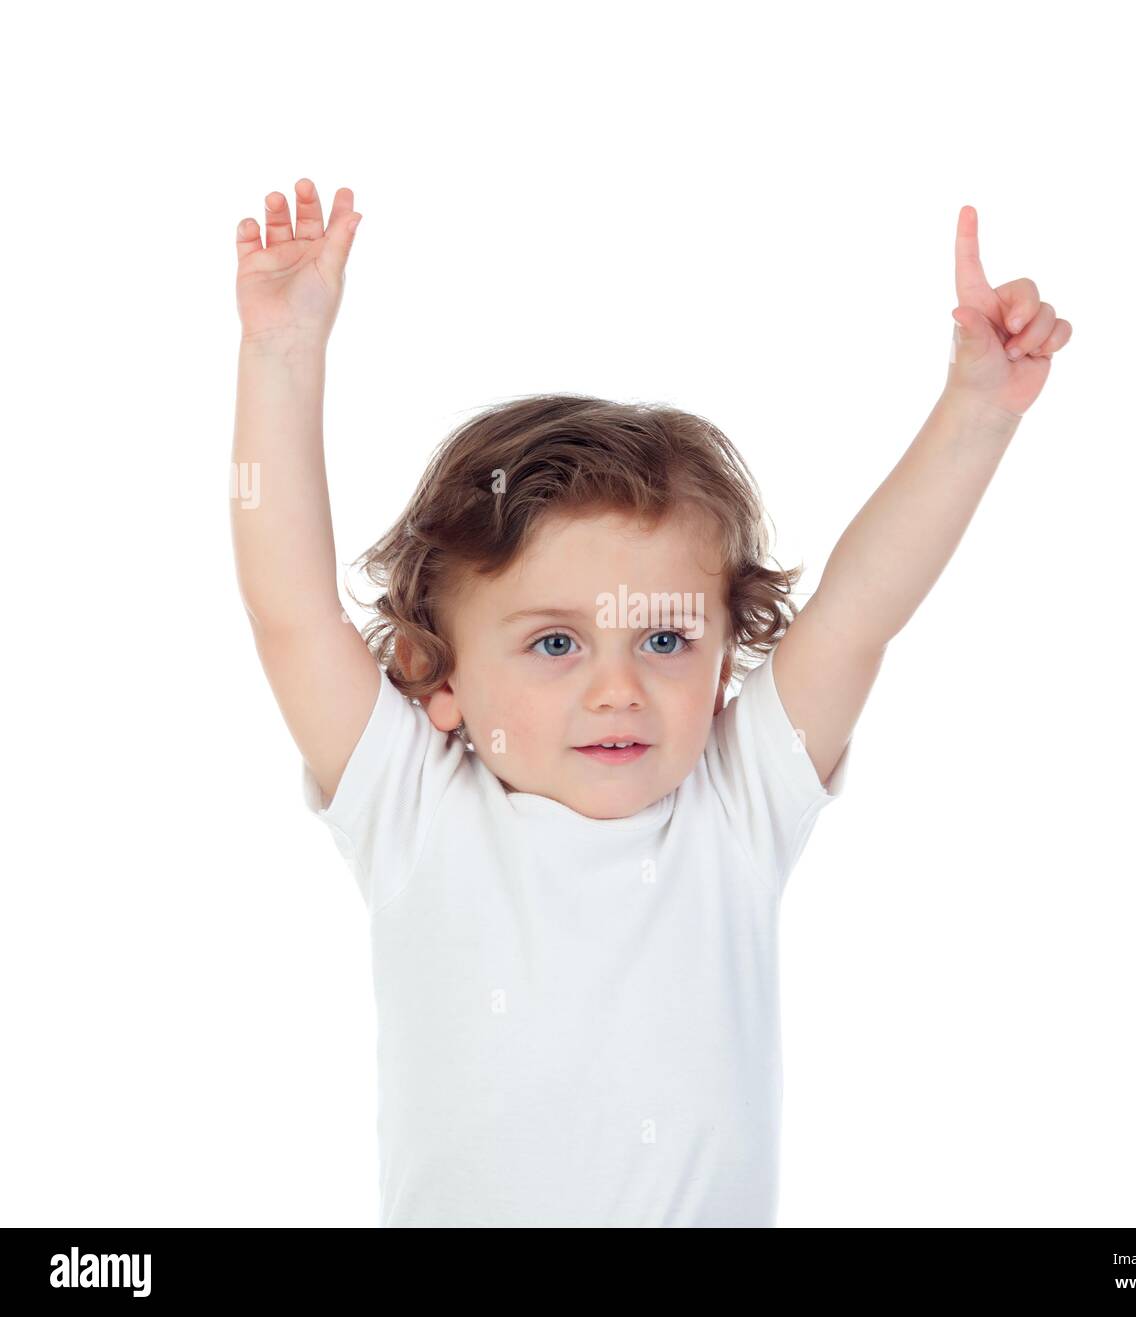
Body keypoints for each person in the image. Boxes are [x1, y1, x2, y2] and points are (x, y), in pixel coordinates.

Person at [229, 179, 1071, 1227]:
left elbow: (859, 610)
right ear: (437, 678)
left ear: (724, 660)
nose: (617, 687)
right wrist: (280, 352)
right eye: (553, 643)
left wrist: (979, 408)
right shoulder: (413, 811)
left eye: (665, 638)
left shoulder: (736, 803)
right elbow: (292, 617)